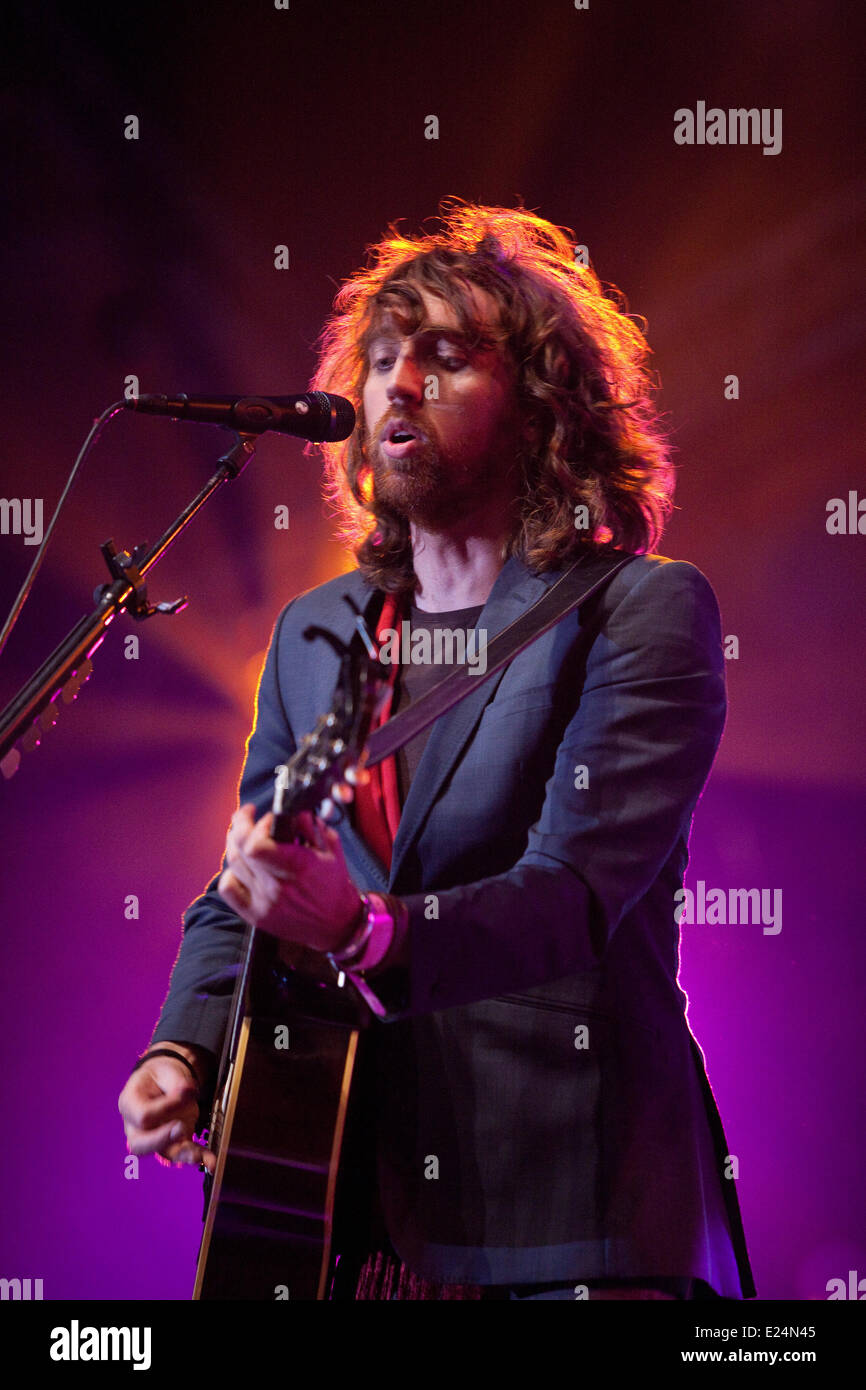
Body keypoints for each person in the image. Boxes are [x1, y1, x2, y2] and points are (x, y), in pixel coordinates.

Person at [118, 200, 755, 1301]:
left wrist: (364, 931)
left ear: (543, 406)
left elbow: (569, 898)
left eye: (445, 358)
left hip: (570, 1223)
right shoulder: (318, 633)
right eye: (378, 362)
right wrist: (184, 1051)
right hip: (344, 1223)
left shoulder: (636, 613)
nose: (396, 386)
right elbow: (242, 891)